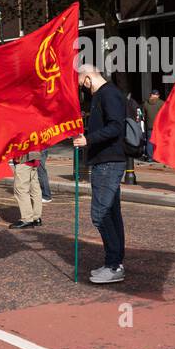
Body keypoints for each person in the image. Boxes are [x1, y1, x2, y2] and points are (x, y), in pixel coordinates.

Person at [72, 64, 128, 284]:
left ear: (88, 78)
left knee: (101, 215)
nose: (83, 90)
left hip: (108, 163)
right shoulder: (101, 96)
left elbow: (116, 127)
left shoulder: (109, 94)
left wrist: (89, 140)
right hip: (104, 162)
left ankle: (114, 266)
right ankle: (114, 262)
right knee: (112, 214)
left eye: (82, 85)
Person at [9, 149, 44, 229]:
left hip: (23, 157)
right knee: (34, 188)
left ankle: (27, 219)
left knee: (21, 189)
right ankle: (36, 217)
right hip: (35, 156)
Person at [142, 89, 164, 162]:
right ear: (158, 95)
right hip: (159, 125)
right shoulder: (161, 103)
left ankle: (149, 158)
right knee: (158, 141)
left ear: (151, 95)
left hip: (149, 125)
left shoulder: (145, 103)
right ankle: (157, 158)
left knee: (149, 142)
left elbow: (143, 115)